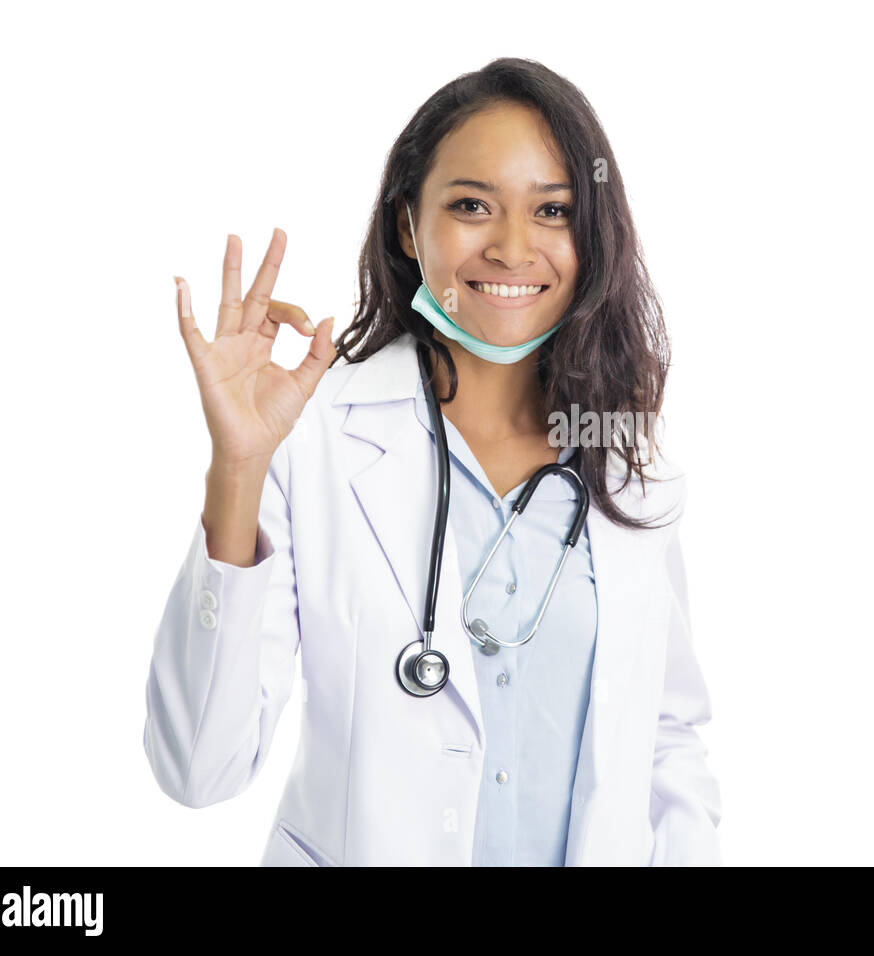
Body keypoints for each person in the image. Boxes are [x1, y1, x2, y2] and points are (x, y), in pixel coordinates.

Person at [144, 57, 721, 866]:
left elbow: (666, 740)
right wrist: (236, 469)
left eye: (553, 209)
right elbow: (198, 768)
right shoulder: (314, 438)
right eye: (471, 205)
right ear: (409, 228)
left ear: (590, 232)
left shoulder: (623, 457)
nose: (514, 248)